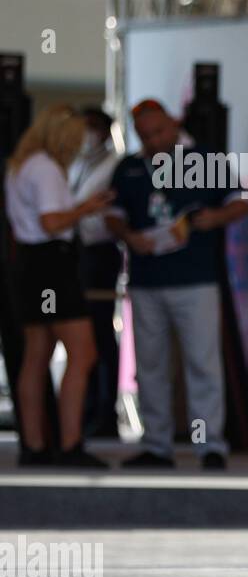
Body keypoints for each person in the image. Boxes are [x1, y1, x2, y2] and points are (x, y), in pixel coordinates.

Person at [104, 99, 248, 470]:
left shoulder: (204, 158)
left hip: (196, 278)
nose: (153, 140)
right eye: (145, 135)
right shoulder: (130, 167)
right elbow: (113, 216)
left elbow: (240, 203)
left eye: (158, 132)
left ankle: (210, 445)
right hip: (146, 279)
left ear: (173, 125)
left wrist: (212, 218)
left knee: (202, 362)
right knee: (151, 365)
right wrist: (129, 236)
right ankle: (157, 445)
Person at [5, 105, 114, 467]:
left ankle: (34, 445)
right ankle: (70, 444)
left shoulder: (21, 166)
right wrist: (86, 208)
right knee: (82, 353)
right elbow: (52, 221)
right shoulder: (48, 168)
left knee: (37, 355)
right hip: (52, 266)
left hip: (29, 265)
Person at [68, 107, 123, 439]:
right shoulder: (77, 163)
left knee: (100, 333)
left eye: (90, 128)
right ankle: (86, 409)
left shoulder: (114, 165)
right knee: (81, 333)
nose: (85, 134)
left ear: (104, 130)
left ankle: (105, 412)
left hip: (99, 252)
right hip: (77, 251)